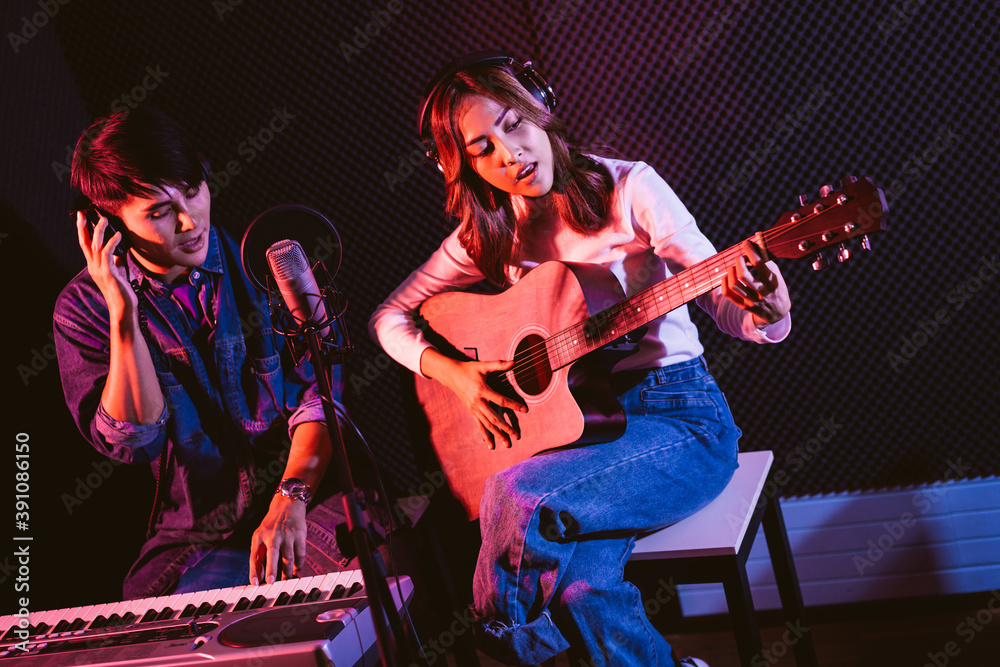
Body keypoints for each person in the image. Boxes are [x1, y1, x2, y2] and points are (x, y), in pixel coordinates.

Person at [369, 53, 792, 666]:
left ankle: (502, 647)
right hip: (575, 435)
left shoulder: (629, 188)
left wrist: (765, 307)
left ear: (541, 110)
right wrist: (456, 375)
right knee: (580, 587)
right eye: (483, 148)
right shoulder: (487, 232)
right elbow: (389, 319)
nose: (510, 154)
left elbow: (723, 300)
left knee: (518, 494)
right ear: (464, 166)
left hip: (680, 421)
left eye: (514, 124)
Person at [54, 106, 356, 600]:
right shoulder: (83, 310)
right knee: (151, 620)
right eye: (157, 212)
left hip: (309, 490)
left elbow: (321, 396)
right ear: (108, 226)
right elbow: (135, 441)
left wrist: (291, 496)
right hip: (196, 532)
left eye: (192, 191)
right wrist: (124, 314)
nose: (188, 221)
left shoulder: (261, 261)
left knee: (323, 601)